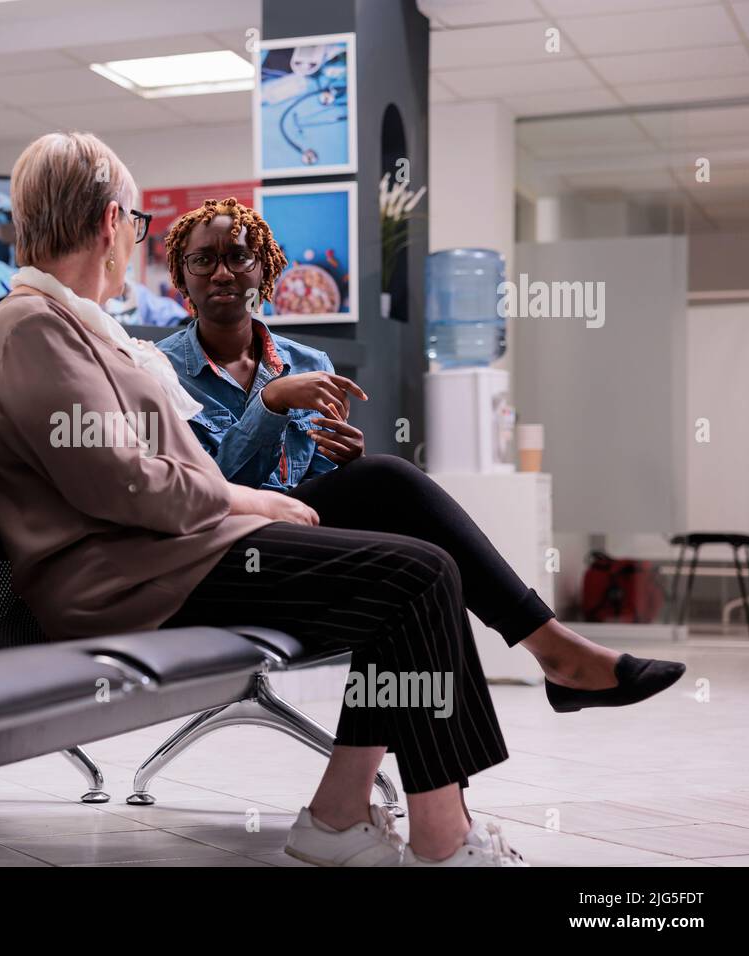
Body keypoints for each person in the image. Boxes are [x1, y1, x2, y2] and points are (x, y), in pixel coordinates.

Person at [0, 131, 540, 867]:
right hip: (127, 580)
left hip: (167, 557)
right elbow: (123, 481)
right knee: (419, 577)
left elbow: (147, 470)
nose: (135, 241)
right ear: (112, 223)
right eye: (137, 224)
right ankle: (436, 836)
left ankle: (346, 818)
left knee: (411, 557)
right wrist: (252, 504)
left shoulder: (77, 327)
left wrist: (246, 502)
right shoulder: (34, 328)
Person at [158, 197, 685, 716]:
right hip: (224, 556)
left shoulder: (307, 361)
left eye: (239, 256)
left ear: (265, 269)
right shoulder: (158, 370)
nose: (222, 272)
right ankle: (554, 650)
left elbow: (312, 483)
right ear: (182, 275)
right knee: (391, 489)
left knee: (418, 551)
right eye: (203, 260)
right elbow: (202, 490)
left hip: (302, 541)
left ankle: (437, 749)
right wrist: (271, 404)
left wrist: (346, 464)